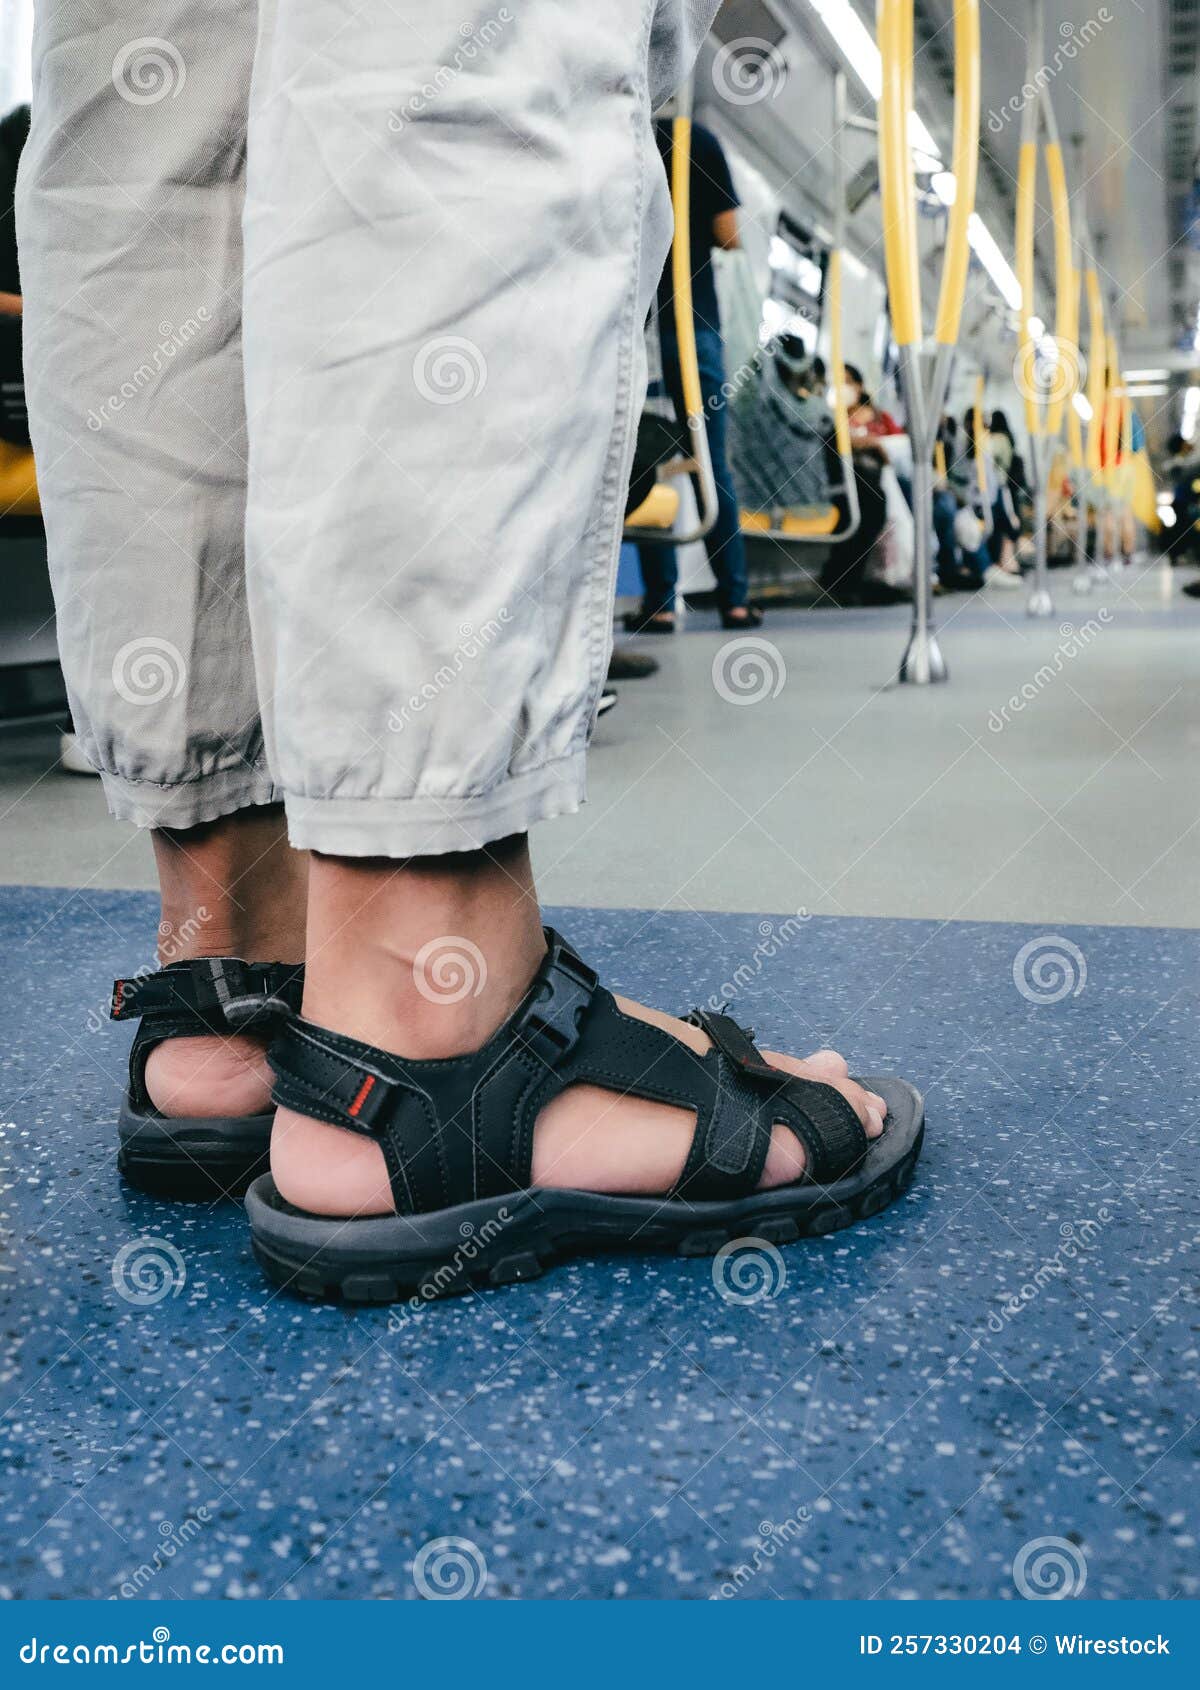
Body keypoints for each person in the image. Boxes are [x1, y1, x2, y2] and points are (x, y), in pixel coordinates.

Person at [17, 2, 918, 1298]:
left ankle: (231, 985)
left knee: (162, 117)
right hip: (433, 1074)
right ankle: (428, 1026)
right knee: (443, 56)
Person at [626, 117, 762, 634]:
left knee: (648, 465)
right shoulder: (697, 138)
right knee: (709, 463)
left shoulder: (624, 132)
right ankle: (734, 602)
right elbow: (729, 237)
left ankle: (660, 603)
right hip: (692, 327)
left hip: (637, 332)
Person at [818, 363, 904, 605]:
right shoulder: (827, 413)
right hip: (837, 480)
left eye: (847, 381)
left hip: (866, 476)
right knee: (872, 502)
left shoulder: (877, 415)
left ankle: (853, 578)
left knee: (875, 499)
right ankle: (844, 579)